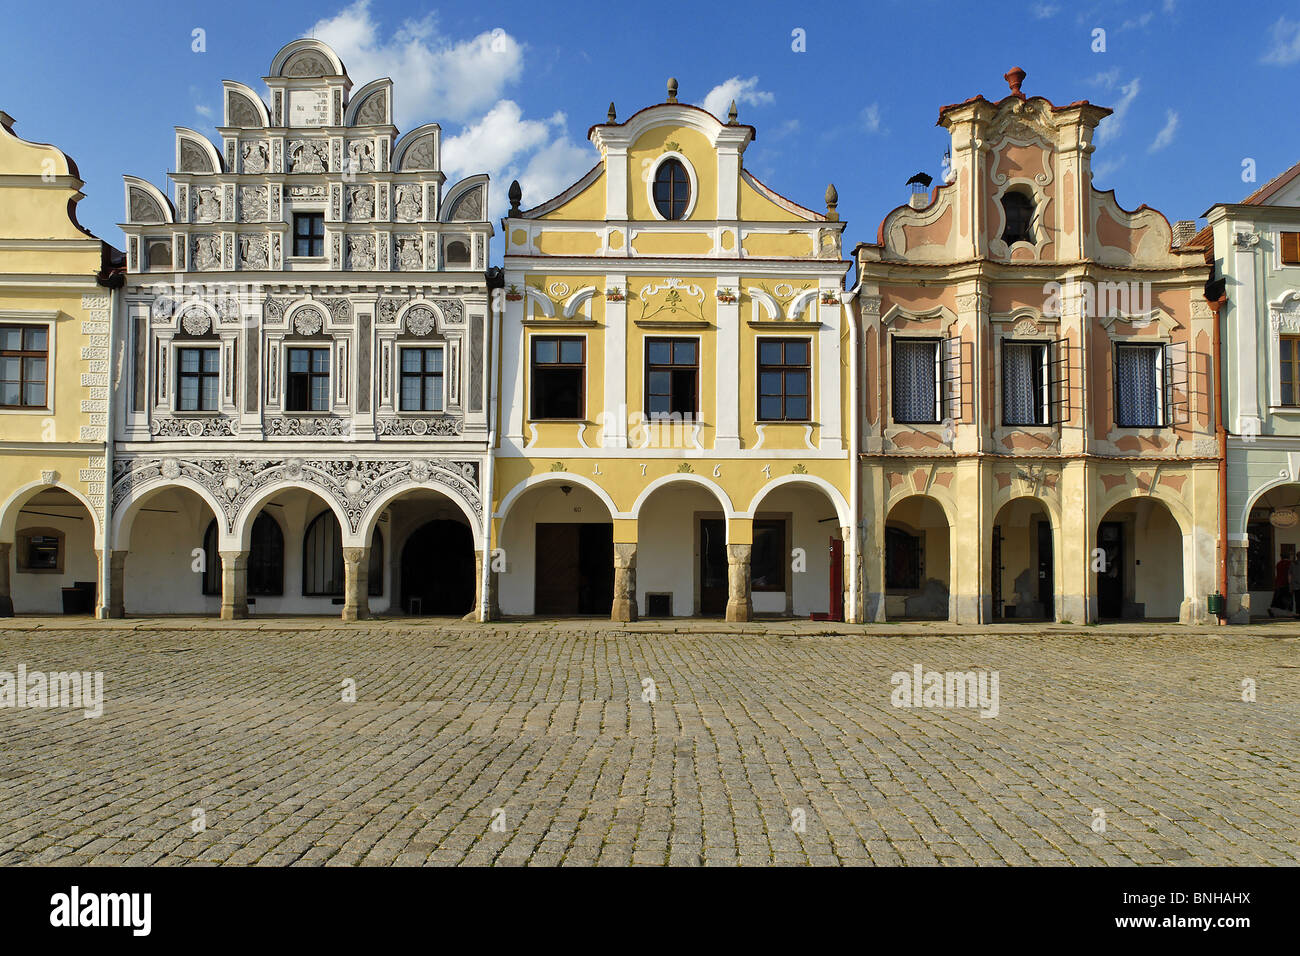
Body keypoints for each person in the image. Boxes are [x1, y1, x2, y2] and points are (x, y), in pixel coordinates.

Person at [1270, 552, 1293, 617]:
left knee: (1277, 598)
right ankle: (1288, 613)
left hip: (1279, 583)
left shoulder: (1279, 564)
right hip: (1286, 583)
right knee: (1288, 598)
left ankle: (1273, 610)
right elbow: (1290, 574)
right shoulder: (1290, 564)